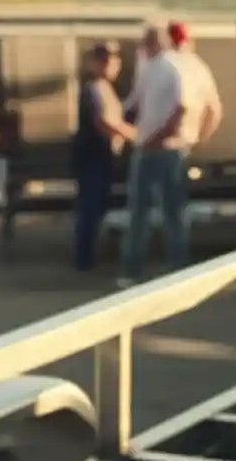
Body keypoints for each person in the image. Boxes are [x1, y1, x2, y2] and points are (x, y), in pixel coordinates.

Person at [118, 24, 219, 287]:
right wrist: (197, 140)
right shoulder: (166, 67)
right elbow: (137, 103)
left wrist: (155, 138)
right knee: (166, 213)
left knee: (147, 212)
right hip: (165, 147)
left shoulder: (167, 68)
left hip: (161, 148)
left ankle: (140, 269)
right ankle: (168, 269)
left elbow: (180, 108)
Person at [72, 43, 134, 272]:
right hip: (94, 156)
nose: (111, 65)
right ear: (94, 63)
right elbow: (104, 122)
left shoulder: (105, 89)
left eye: (114, 61)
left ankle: (88, 254)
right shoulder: (95, 88)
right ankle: (84, 258)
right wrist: (134, 135)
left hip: (102, 157)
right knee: (90, 207)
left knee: (96, 206)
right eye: (105, 61)